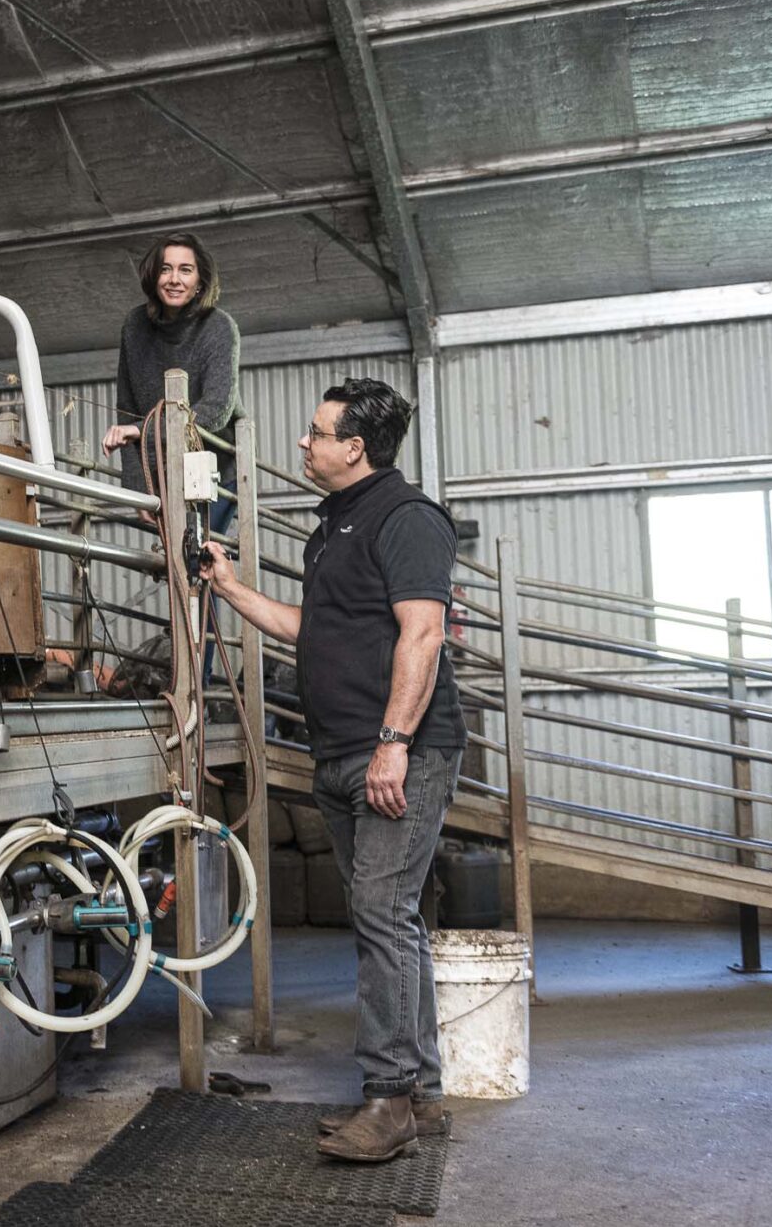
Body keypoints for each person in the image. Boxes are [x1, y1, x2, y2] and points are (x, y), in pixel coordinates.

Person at [200, 377, 464, 1165]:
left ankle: (387, 1101)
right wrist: (230, 587)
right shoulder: (332, 528)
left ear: (354, 447)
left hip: (397, 754)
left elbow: (422, 635)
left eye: (317, 434)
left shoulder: (408, 519)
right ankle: (419, 1093)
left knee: (382, 916)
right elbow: (310, 628)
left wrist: (393, 741)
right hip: (341, 750)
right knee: (396, 918)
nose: (305, 445)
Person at [101, 232, 240, 526]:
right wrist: (139, 491)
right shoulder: (135, 327)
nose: (174, 279)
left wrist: (140, 431)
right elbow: (127, 409)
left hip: (214, 466)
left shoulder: (219, 327)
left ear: (200, 281)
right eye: (166, 269)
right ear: (154, 276)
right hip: (164, 471)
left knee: (197, 558)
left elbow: (215, 411)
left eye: (185, 270)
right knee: (173, 562)